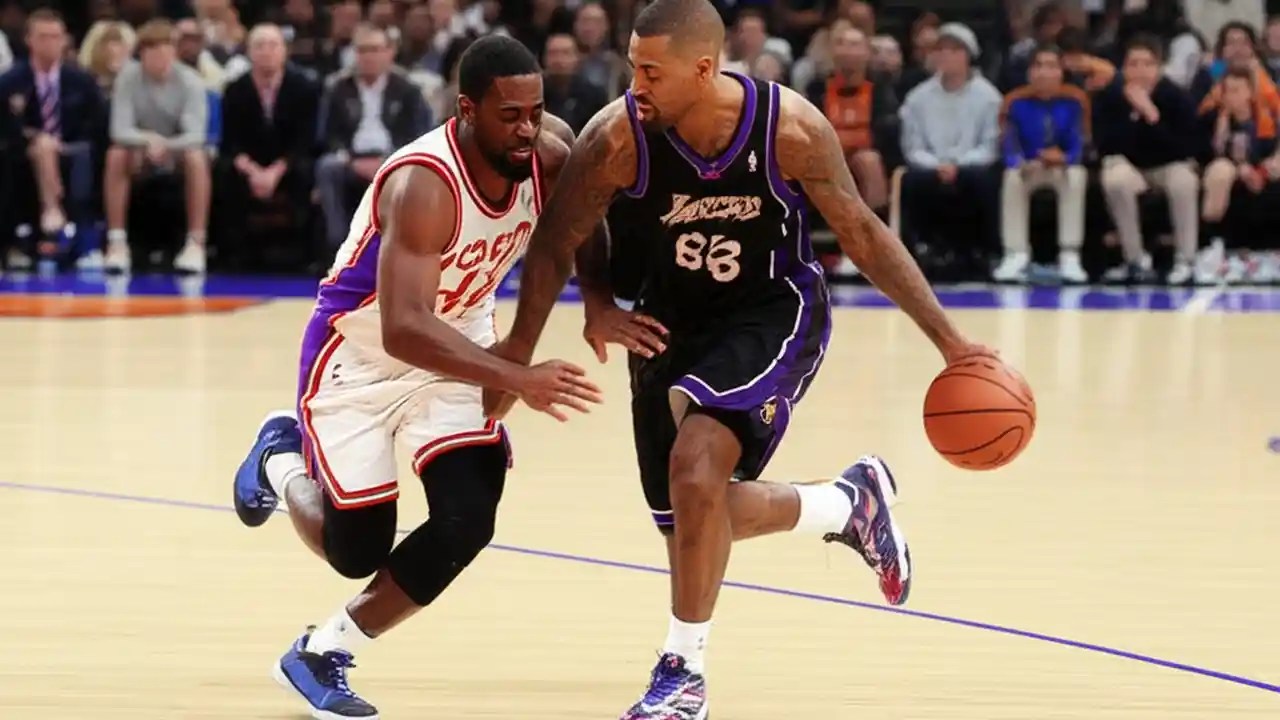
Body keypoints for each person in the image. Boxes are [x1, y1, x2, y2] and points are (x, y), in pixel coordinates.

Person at [491, 1, 995, 717]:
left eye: (650, 71)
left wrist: (952, 344)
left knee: (696, 470)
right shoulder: (618, 137)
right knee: (687, 516)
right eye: (633, 66)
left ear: (703, 68)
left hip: (771, 312)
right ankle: (846, 504)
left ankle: (683, 674)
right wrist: (584, 313)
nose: (635, 83)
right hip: (670, 317)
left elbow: (862, 232)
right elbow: (557, 238)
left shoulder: (789, 128)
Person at [229, 35, 601, 720]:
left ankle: (322, 651)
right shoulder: (423, 184)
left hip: (458, 338)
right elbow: (403, 326)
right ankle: (280, 459)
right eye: (509, 115)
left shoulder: (549, 154)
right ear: (466, 110)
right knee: (357, 548)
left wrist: (582, 313)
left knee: (467, 518)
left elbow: (575, 231)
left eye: (536, 111)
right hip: (362, 353)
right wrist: (516, 375)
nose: (527, 129)